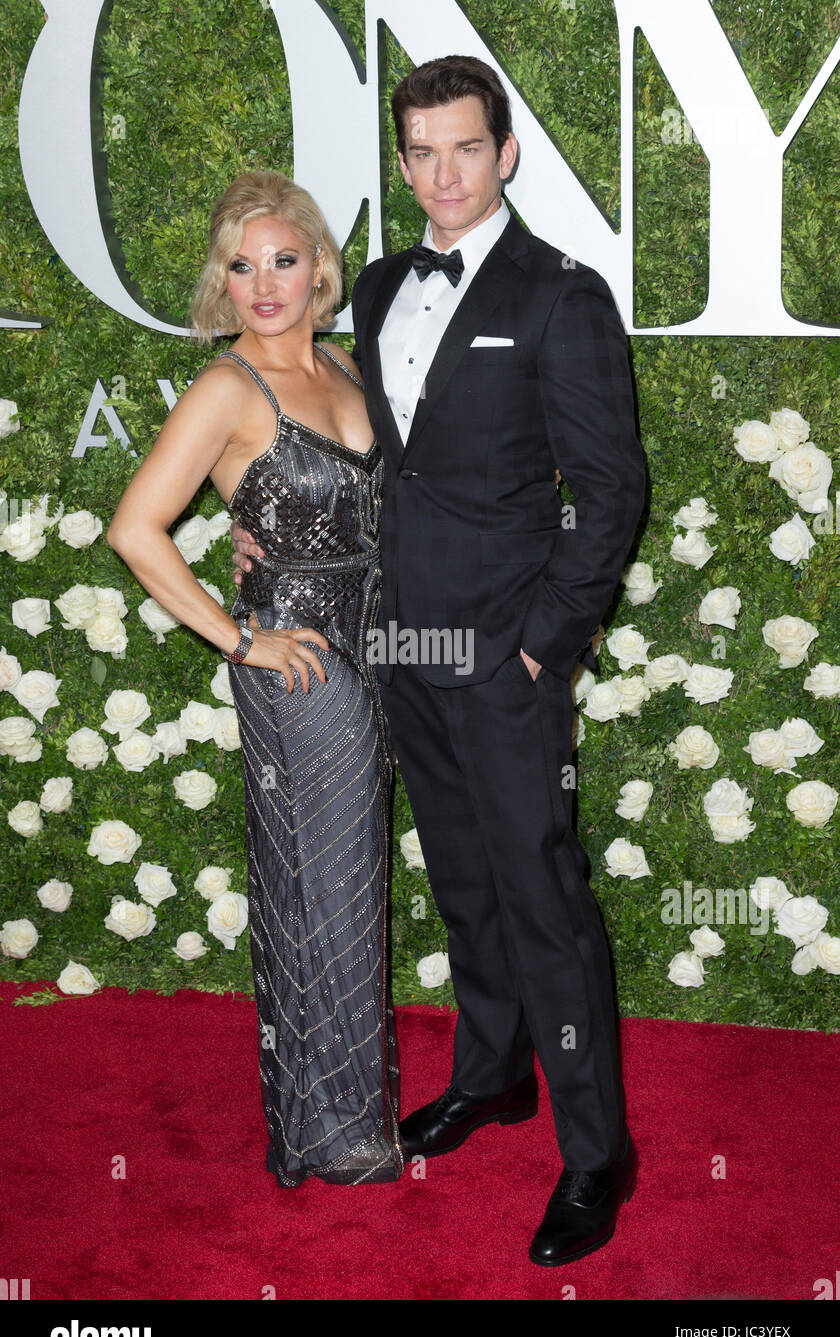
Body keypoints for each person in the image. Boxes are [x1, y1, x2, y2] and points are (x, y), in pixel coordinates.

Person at [232, 55, 647, 1262]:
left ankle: (593, 1155)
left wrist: (541, 650)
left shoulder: (562, 297)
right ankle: (491, 1076)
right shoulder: (373, 284)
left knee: (544, 903)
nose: (444, 173)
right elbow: (362, 442)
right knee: (463, 882)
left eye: (466, 148)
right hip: (398, 645)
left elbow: (612, 489)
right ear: (404, 161)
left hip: (503, 657)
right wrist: (258, 508)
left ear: (505, 153)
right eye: (421, 152)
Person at [107, 169, 405, 1187]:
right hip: (300, 664)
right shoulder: (227, 387)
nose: (265, 282)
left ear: (320, 268)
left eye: (284, 259)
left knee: (350, 878)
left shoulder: (348, 365)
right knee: (324, 884)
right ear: (222, 284)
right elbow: (135, 530)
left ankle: (340, 1113)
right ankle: (334, 1131)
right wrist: (240, 640)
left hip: (375, 651)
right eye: (243, 266)